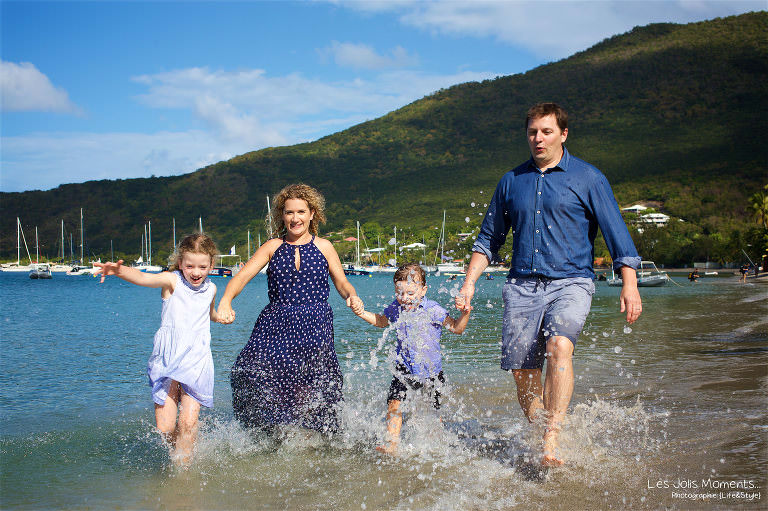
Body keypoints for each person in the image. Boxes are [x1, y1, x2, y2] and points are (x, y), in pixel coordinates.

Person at [456, 103, 642, 467]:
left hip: (571, 282)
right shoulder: (511, 180)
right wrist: (468, 284)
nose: (538, 138)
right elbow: (487, 240)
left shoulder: (589, 178)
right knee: (523, 369)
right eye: (532, 132)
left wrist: (629, 284)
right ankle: (541, 429)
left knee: (560, 346)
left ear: (563, 134)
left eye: (545, 131)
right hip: (522, 286)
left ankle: (551, 440)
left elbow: (617, 234)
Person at [217, 184, 362, 435]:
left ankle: (316, 435)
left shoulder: (324, 246)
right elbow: (240, 278)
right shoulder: (272, 246)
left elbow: (341, 281)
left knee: (310, 379)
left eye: (301, 212)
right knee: (248, 369)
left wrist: (352, 295)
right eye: (289, 213)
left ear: (312, 214)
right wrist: (225, 301)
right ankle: (269, 430)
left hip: (315, 321)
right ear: (281, 216)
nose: (295, 218)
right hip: (276, 321)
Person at [93, 233, 224, 465]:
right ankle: (183, 451)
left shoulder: (211, 289)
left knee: (188, 423)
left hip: (197, 360)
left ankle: (182, 472)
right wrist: (118, 271)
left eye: (202, 267)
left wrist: (221, 316)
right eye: (190, 265)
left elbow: (210, 313)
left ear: (211, 265)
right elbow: (144, 277)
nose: (196, 272)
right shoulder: (171, 281)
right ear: (180, 262)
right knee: (164, 428)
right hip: (168, 360)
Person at [350, 262, 470, 455]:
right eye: (400, 293)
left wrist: (465, 313)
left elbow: (457, 328)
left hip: (430, 372)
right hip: (403, 369)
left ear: (423, 290)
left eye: (410, 294)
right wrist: (362, 313)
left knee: (430, 411)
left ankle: (436, 445)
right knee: (394, 404)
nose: (404, 298)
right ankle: (392, 444)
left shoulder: (433, 309)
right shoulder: (396, 307)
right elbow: (382, 321)